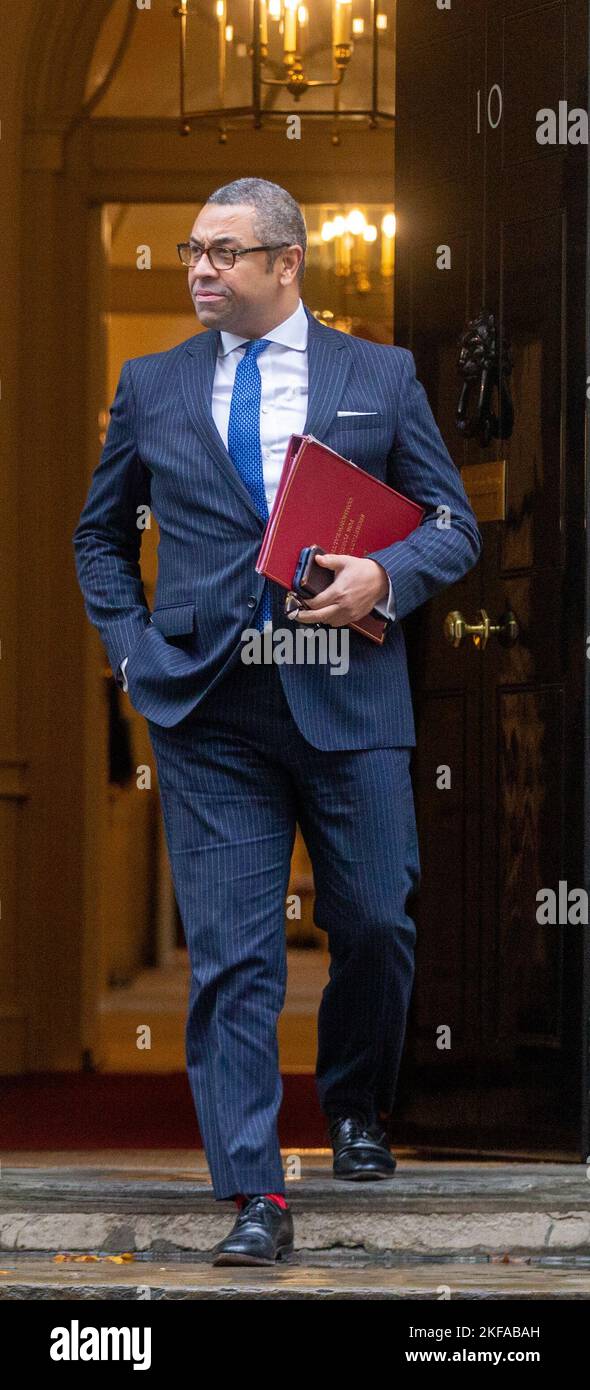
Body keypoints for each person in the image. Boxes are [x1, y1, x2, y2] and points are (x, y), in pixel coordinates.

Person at [73, 177, 482, 1268]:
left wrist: (380, 580)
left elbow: (453, 525)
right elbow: (98, 538)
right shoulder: (149, 385)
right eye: (188, 252)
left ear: (288, 263)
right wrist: (132, 649)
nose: (199, 269)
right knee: (233, 956)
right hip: (209, 708)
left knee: (377, 919)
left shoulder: (375, 374)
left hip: (344, 691)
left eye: (223, 251)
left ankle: (352, 1104)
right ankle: (255, 1188)